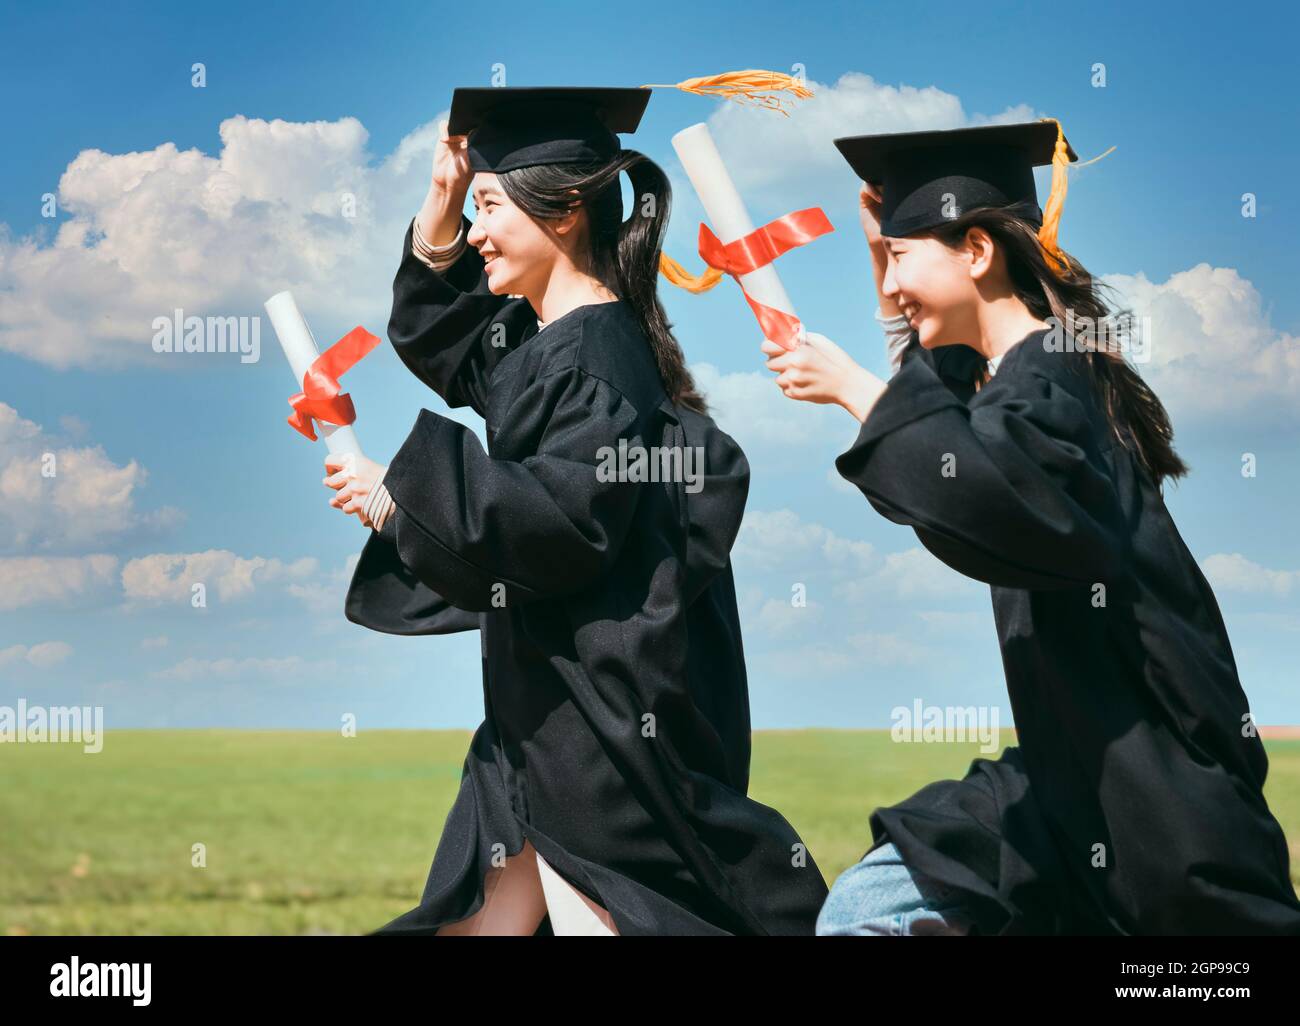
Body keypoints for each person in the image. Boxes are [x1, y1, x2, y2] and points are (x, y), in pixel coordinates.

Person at [761, 119, 1300, 935]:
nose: (894, 283)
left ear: (977, 252)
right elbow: (943, 436)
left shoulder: (1051, 380)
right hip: (1061, 781)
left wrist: (854, 389)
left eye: (908, 256)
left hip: (1155, 794)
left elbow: (979, 487)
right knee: (871, 903)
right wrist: (884, 255)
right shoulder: (1018, 377)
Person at [327, 85, 829, 935]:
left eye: (491, 208)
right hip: (536, 719)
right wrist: (444, 195)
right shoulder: (537, 343)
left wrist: (397, 497)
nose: (476, 233)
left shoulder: (596, 357)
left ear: (562, 214)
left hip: (597, 732)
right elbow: (435, 333)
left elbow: (564, 520)